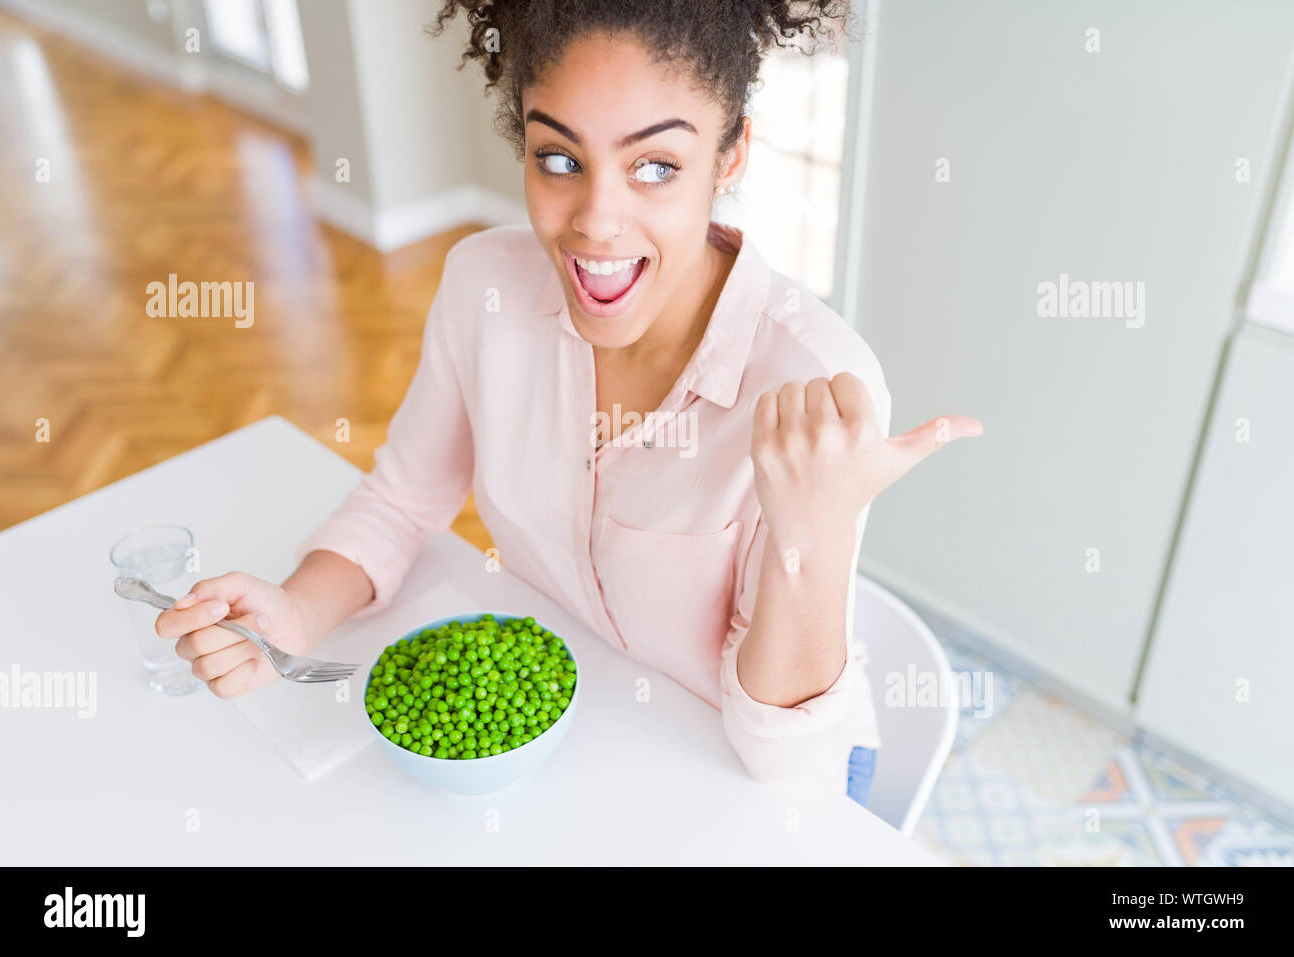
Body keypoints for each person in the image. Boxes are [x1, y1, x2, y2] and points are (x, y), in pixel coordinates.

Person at [154, 0, 981, 807]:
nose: (596, 222)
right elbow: (403, 500)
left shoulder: (816, 384)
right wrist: (297, 611)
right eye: (559, 158)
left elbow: (788, 768)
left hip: (772, 775)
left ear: (731, 157)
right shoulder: (482, 287)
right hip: (581, 739)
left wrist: (811, 532)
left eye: (655, 166)